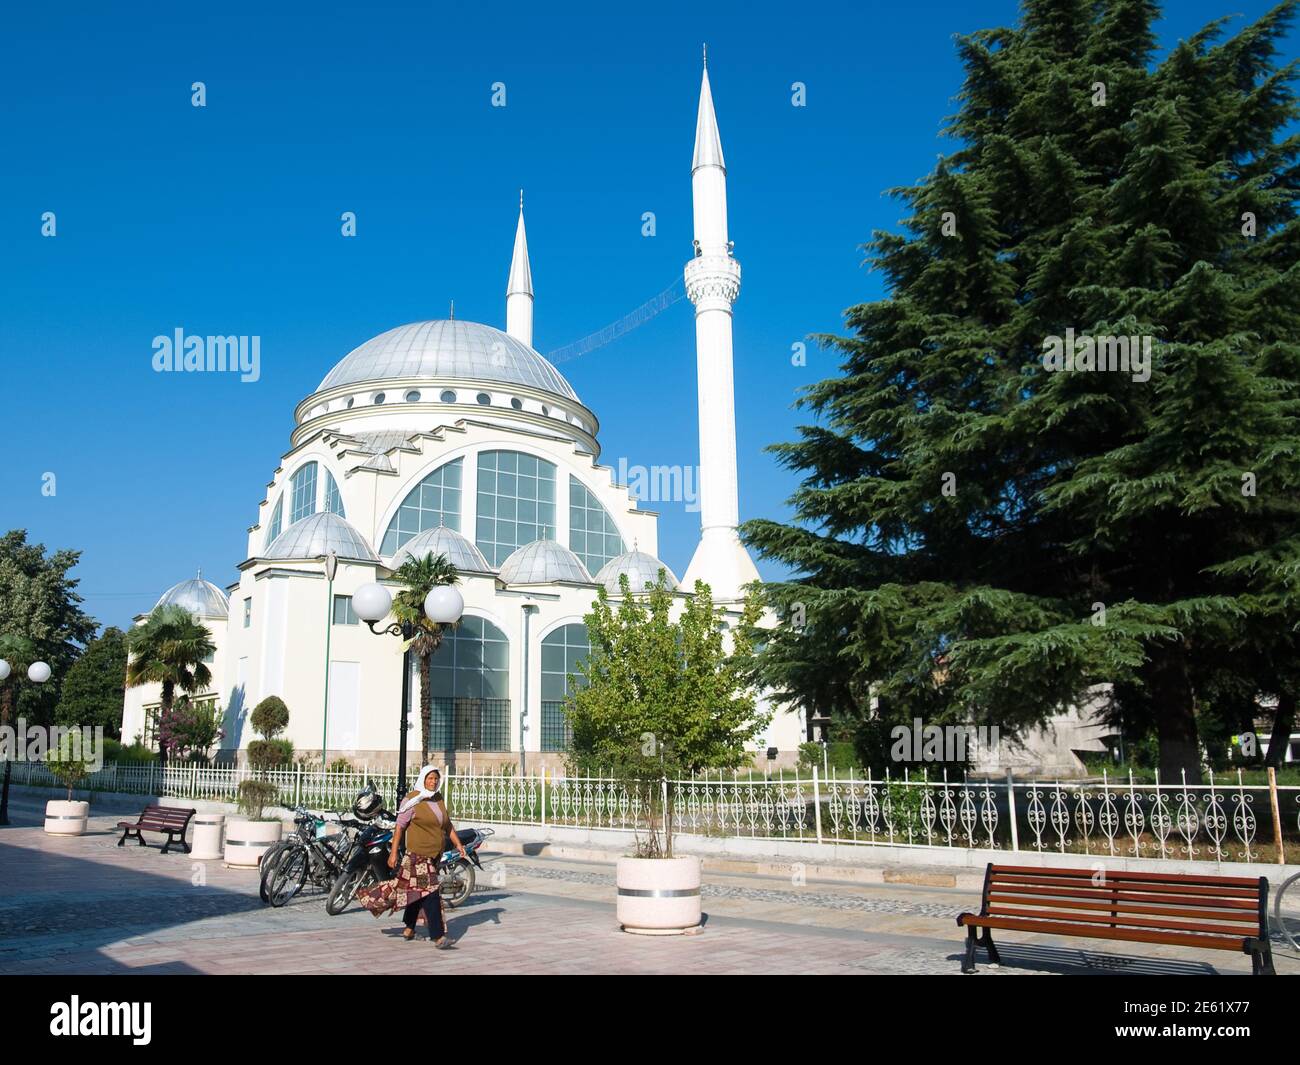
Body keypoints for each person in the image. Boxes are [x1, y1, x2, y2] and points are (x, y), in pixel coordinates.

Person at [356, 765, 467, 946]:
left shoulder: (438, 799)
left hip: (433, 855)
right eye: (430, 778)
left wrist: (458, 844)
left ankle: (409, 928)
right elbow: (400, 827)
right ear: (423, 779)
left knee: (416, 892)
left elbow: (447, 825)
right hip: (417, 856)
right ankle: (438, 936)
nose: (433, 782)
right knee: (430, 892)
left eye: (436, 778)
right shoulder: (412, 800)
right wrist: (393, 854)